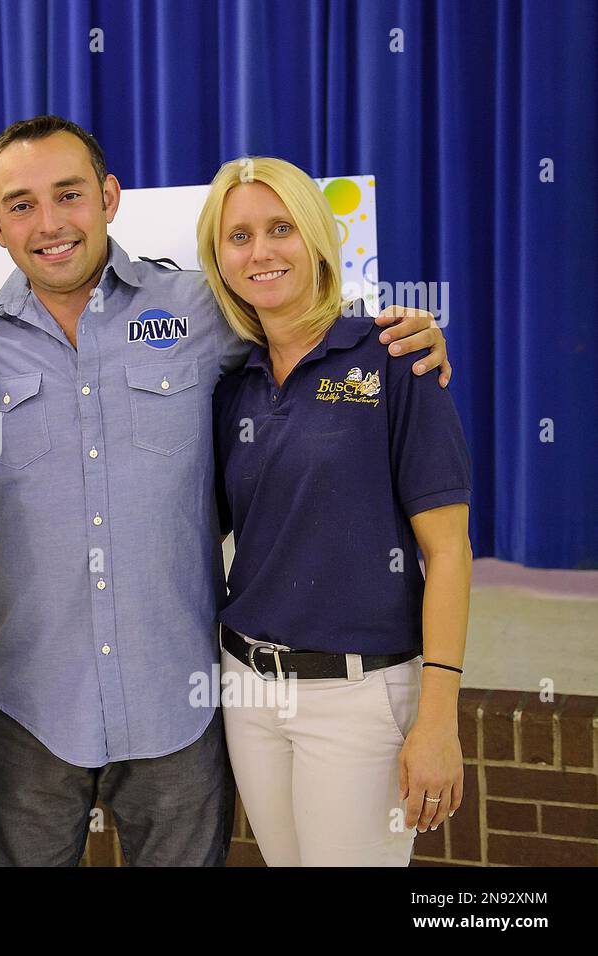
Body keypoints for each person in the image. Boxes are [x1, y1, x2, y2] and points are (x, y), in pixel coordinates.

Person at [0, 115, 448, 866]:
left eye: (69, 195)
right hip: (30, 707)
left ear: (109, 196)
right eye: (21, 205)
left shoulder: (202, 309)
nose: (49, 223)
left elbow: (302, 325)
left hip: (179, 704)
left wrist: (398, 332)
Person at [201, 156, 471, 865]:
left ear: (318, 238)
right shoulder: (235, 387)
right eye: (239, 237)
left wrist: (439, 717)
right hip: (249, 691)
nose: (261, 251)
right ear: (218, 260)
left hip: (360, 697)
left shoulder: (393, 356)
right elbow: (192, 522)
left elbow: (448, 552)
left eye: (280, 228)